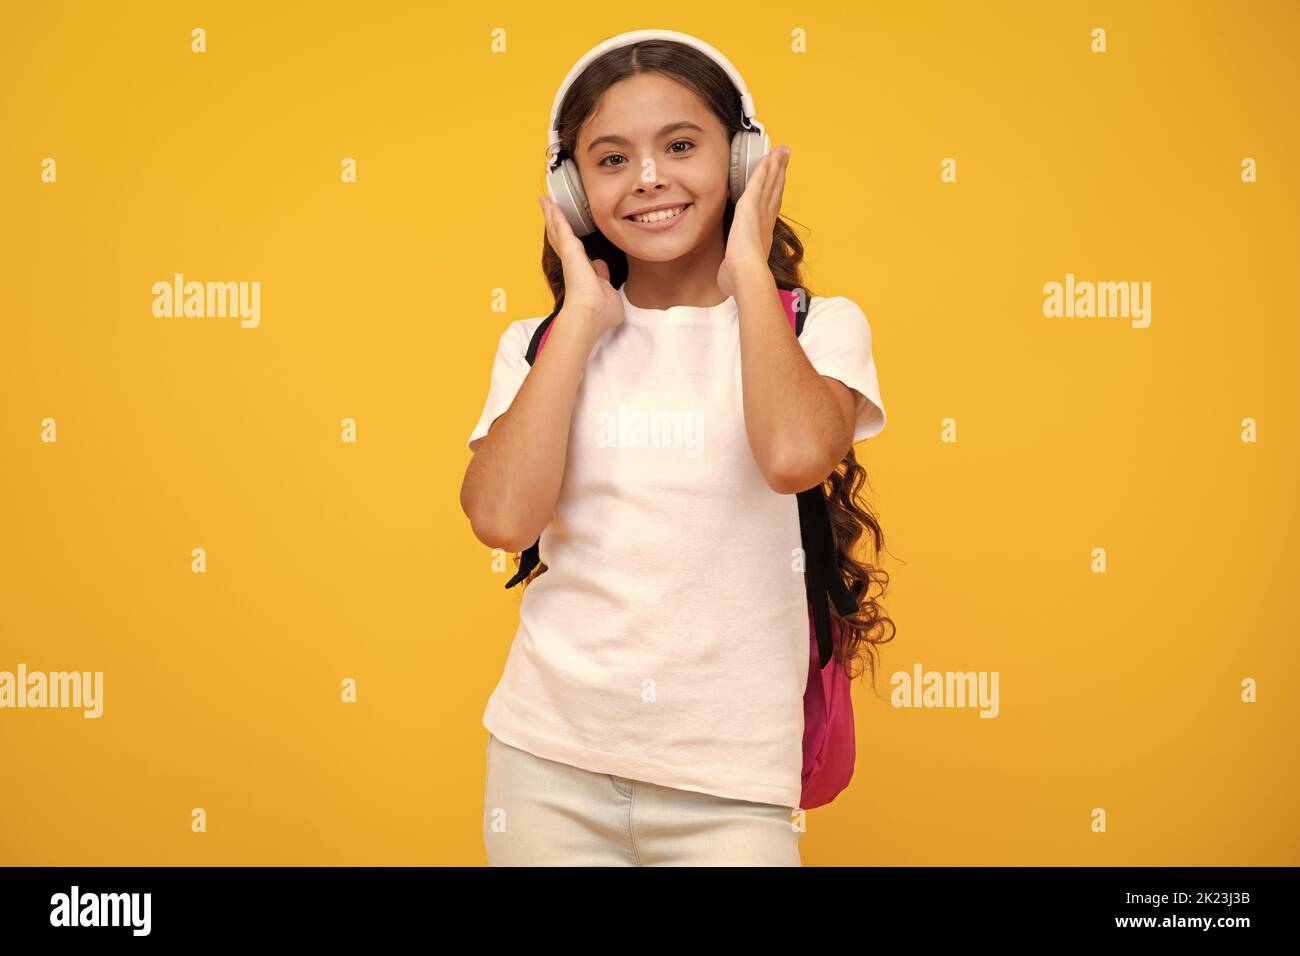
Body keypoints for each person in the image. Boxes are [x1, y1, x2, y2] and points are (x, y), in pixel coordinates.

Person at [460, 30, 893, 866]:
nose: (650, 177)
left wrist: (748, 275)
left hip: (731, 781)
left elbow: (794, 456)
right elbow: (504, 520)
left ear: (740, 163)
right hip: (546, 763)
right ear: (575, 192)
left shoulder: (817, 327)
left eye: (682, 146)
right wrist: (584, 319)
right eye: (612, 159)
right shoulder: (541, 340)